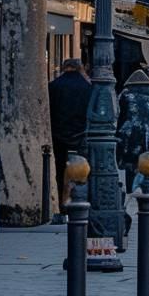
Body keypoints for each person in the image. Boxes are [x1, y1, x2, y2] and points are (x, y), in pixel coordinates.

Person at [48, 59, 91, 206]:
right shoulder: (87, 86)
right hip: (80, 133)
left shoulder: (53, 86)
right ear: (80, 68)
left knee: (60, 170)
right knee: (81, 168)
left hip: (58, 134)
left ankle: (61, 202)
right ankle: (80, 199)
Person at [116, 70, 149, 192]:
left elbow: (120, 117)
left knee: (129, 165)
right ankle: (143, 189)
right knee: (146, 163)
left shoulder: (125, 96)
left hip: (128, 135)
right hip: (147, 136)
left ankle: (130, 189)